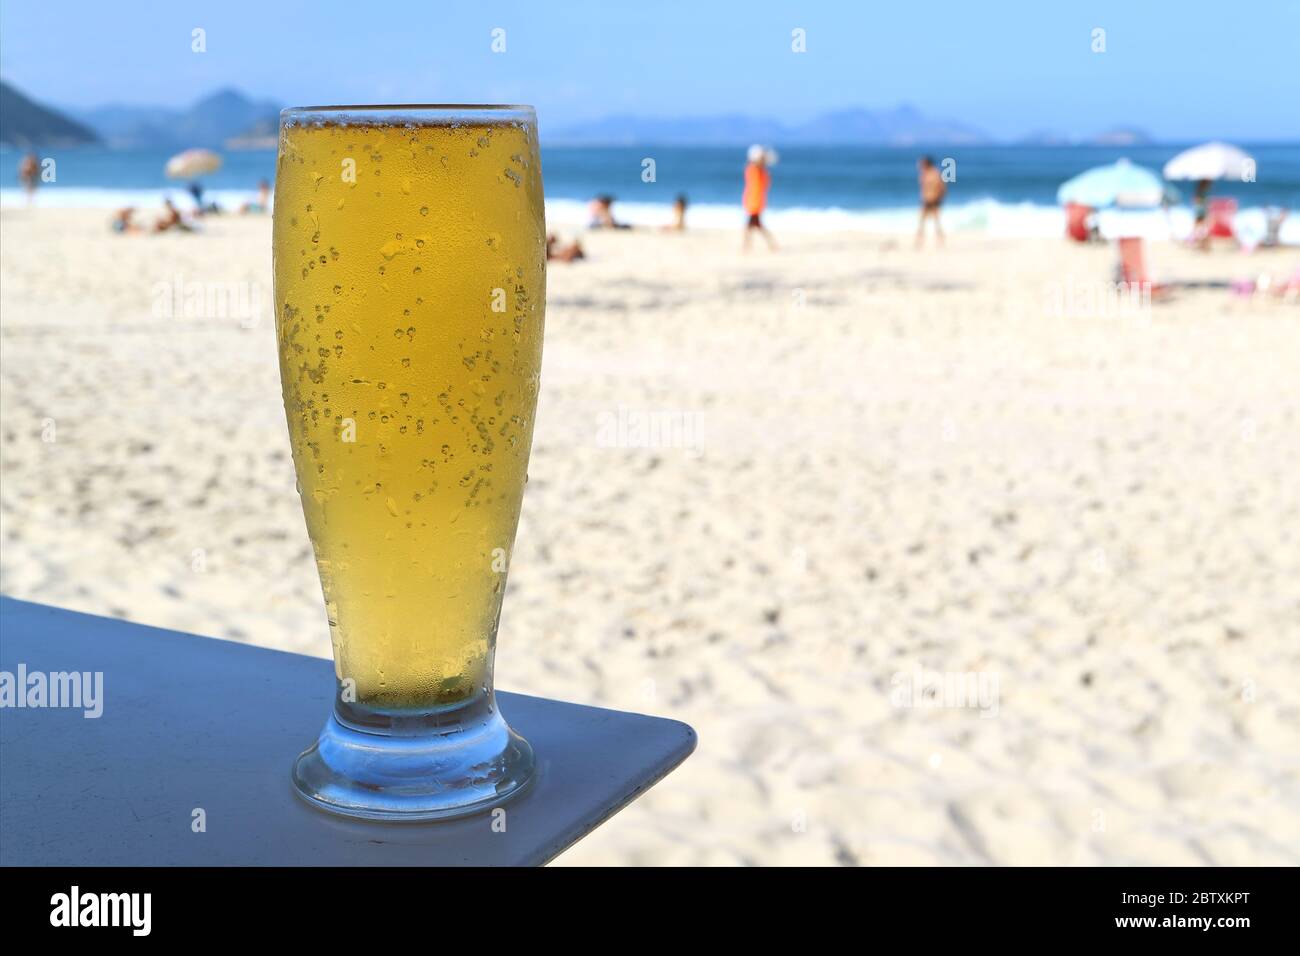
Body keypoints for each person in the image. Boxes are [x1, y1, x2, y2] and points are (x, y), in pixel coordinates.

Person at [742, 145, 776, 251]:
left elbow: (762, 184)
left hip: (755, 203)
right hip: (753, 202)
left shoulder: (759, 171)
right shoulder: (754, 170)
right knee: (756, 226)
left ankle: (747, 247)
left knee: (752, 226)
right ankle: (771, 245)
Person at [916, 156, 946, 247]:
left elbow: (942, 188)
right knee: (922, 222)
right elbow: (923, 189)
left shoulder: (935, 174)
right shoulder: (924, 174)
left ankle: (940, 241)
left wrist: (938, 199)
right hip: (925, 201)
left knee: (936, 222)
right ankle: (919, 242)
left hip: (934, 201)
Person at [1191, 179, 1212, 249]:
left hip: (1200, 211)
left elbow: (1196, 201)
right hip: (1200, 211)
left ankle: (1200, 244)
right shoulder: (1201, 192)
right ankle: (1201, 244)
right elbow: (1197, 201)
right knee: (1202, 228)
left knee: (1200, 228)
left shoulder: (1201, 191)